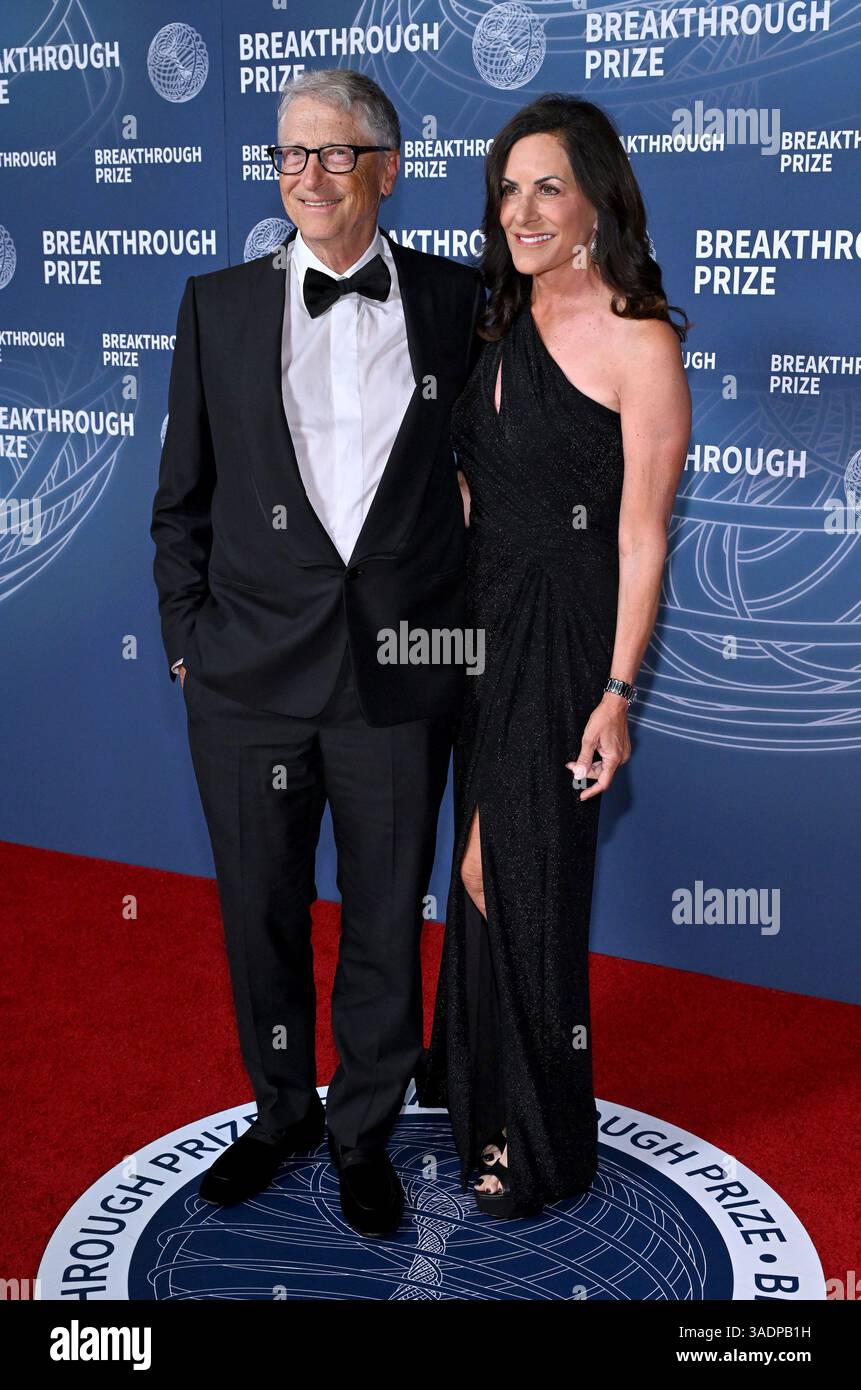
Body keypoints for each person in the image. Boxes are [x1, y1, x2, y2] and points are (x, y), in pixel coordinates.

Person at [150, 68, 484, 1238]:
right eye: (289, 156)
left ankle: (364, 1131)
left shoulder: (460, 301)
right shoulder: (217, 305)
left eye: (333, 155)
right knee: (263, 912)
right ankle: (284, 1108)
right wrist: (190, 644)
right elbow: (179, 502)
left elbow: (507, 470)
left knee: (389, 916)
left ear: (385, 170)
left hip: (398, 675)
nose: (306, 177)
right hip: (246, 677)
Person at [415, 94, 692, 1218]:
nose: (521, 210)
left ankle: (544, 1145)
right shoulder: (494, 325)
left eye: (548, 188)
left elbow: (642, 531)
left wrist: (618, 690)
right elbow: (475, 489)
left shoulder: (641, 339)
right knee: (478, 873)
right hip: (482, 625)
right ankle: (485, 1096)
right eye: (509, 188)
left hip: (565, 631)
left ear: (594, 204)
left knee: (512, 873)